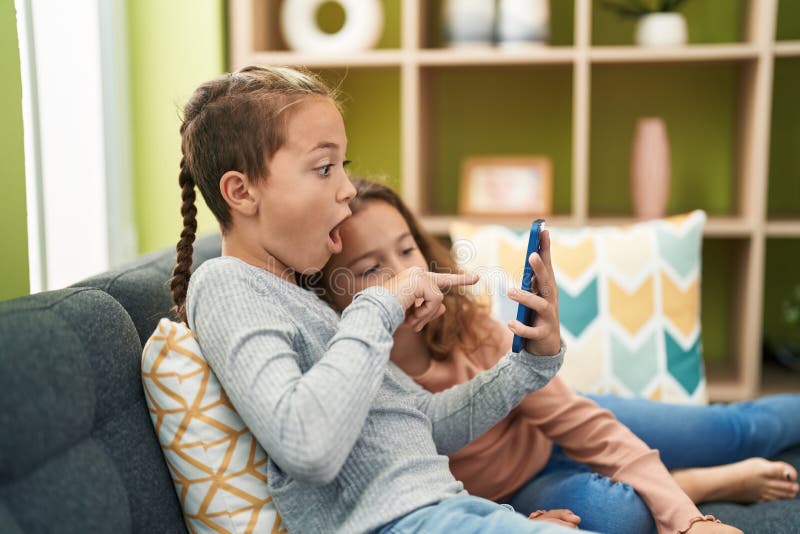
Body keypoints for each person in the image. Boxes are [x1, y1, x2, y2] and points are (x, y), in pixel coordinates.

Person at [169, 65, 588, 534]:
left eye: (342, 168)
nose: (347, 189)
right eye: (324, 168)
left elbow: (422, 422)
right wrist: (380, 305)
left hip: (450, 510)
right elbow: (306, 444)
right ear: (241, 192)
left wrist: (528, 365)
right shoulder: (227, 285)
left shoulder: (303, 300)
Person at [320, 179, 800, 533]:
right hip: (513, 494)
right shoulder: (351, 381)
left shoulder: (467, 328)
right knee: (617, 515)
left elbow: (578, 421)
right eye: (370, 270)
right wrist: (517, 522)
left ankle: (680, 487)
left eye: (408, 251)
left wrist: (689, 523)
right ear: (331, 296)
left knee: (734, 429)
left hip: (550, 431)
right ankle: (691, 482)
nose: (407, 276)